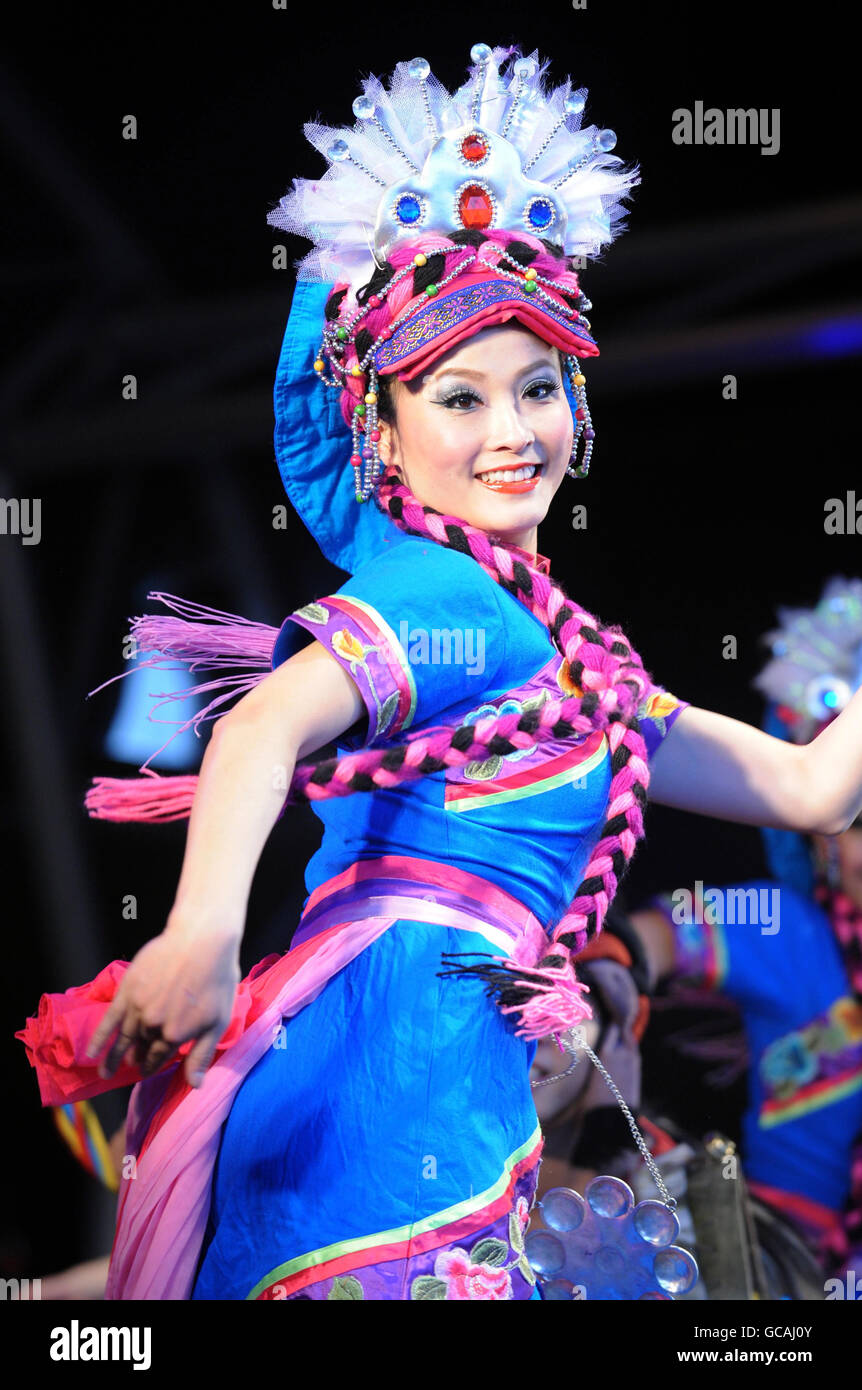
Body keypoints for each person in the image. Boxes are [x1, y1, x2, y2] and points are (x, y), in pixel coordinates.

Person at [15, 44, 862, 1302]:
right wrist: (197, 932)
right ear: (384, 431)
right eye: (457, 399)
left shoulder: (573, 657)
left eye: (535, 388)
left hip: (431, 1090)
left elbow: (802, 790)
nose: (510, 431)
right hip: (385, 1080)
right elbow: (261, 723)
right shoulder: (437, 590)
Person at [631, 578, 862, 1285]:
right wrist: (609, 979)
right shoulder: (787, 931)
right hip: (774, 1265)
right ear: (825, 842)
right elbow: (654, 937)